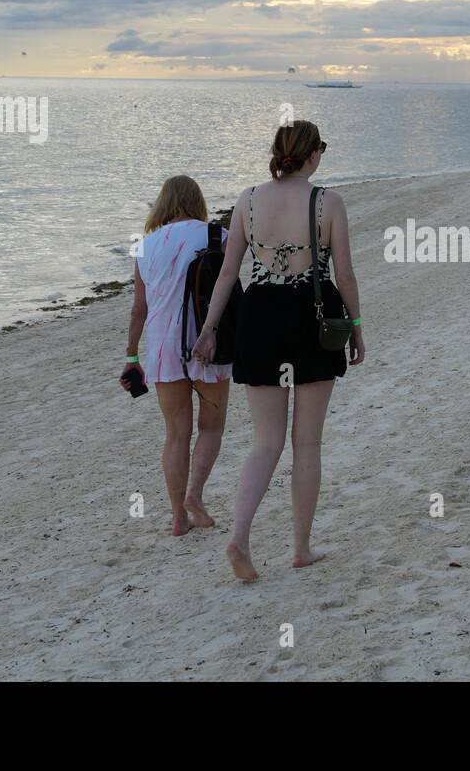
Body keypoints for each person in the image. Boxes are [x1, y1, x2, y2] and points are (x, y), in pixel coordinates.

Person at [192, 121, 364, 581]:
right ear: (311, 154)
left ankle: (240, 537)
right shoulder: (328, 202)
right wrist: (357, 328)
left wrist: (209, 329)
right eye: (321, 148)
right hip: (313, 316)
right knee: (307, 442)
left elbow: (228, 273)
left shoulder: (247, 199)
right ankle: (301, 548)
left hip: (261, 317)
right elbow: (343, 275)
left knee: (264, 442)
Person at [123, 175, 232, 537]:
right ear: (197, 200)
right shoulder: (218, 236)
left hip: (164, 347)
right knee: (211, 427)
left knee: (175, 434)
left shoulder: (144, 246)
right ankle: (194, 496)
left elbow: (139, 309)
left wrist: (131, 356)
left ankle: (177, 518)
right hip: (209, 341)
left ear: (162, 203)